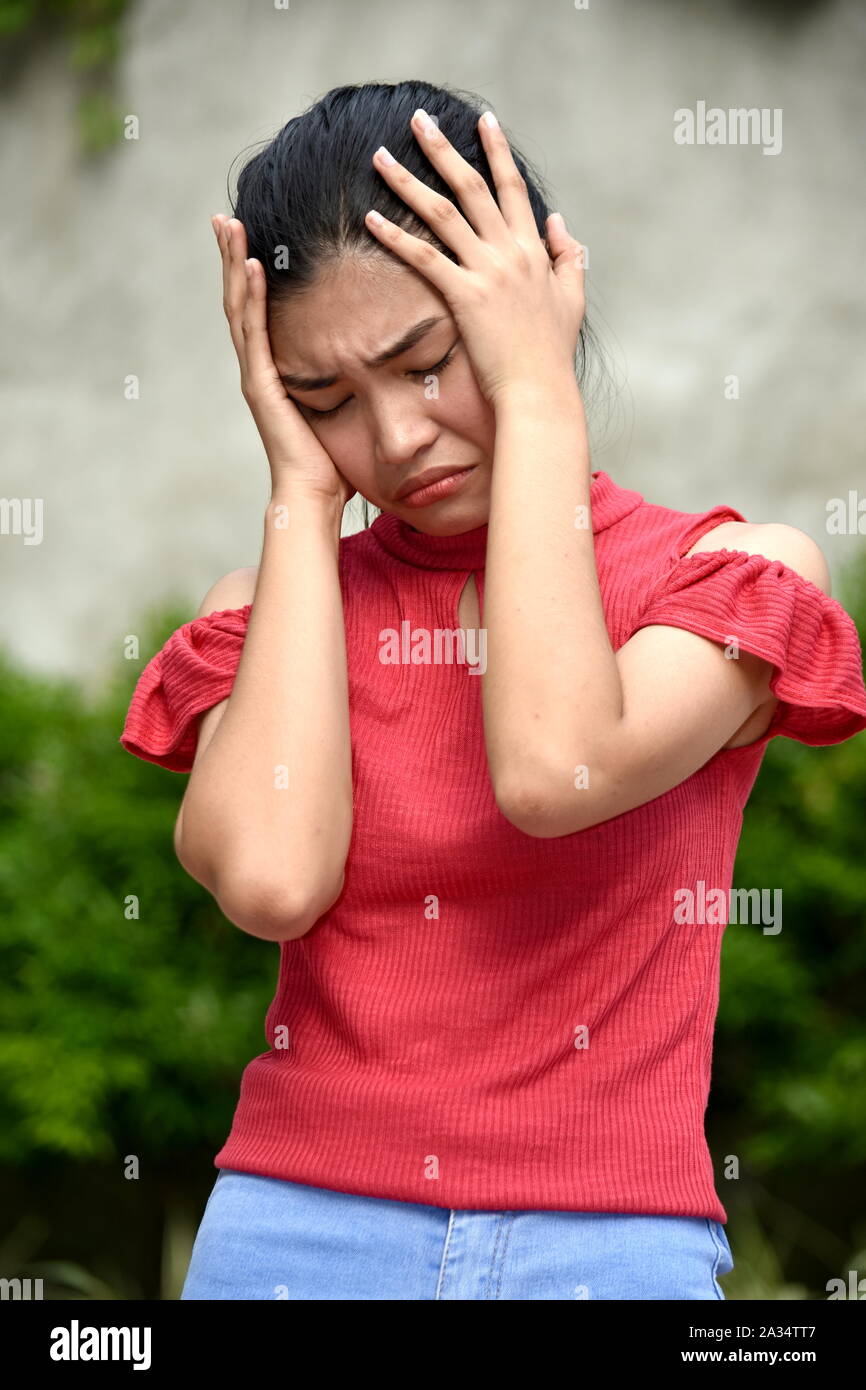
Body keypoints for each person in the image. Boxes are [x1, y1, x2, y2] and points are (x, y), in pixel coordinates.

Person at [119, 80, 866, 1300]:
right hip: (295, 1234)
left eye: (427, 362)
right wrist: (301, 503)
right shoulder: (263, 615)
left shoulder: (725, 579)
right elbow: (268, 878)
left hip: (610, 1246)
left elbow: (551, 766)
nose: (396, 438)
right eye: (325, 403)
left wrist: (536, 400)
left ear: (535, 305)